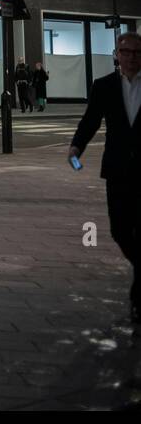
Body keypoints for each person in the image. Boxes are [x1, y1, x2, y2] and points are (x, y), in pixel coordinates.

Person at [69, 32, 141, 324]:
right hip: (118, 170)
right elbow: (90, 120)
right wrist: (76, 146)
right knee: (119, 231)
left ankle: (138, 301)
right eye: (127, 51)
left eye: (137, 52)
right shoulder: (104, 86)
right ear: (117, 54)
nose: (132, 57)